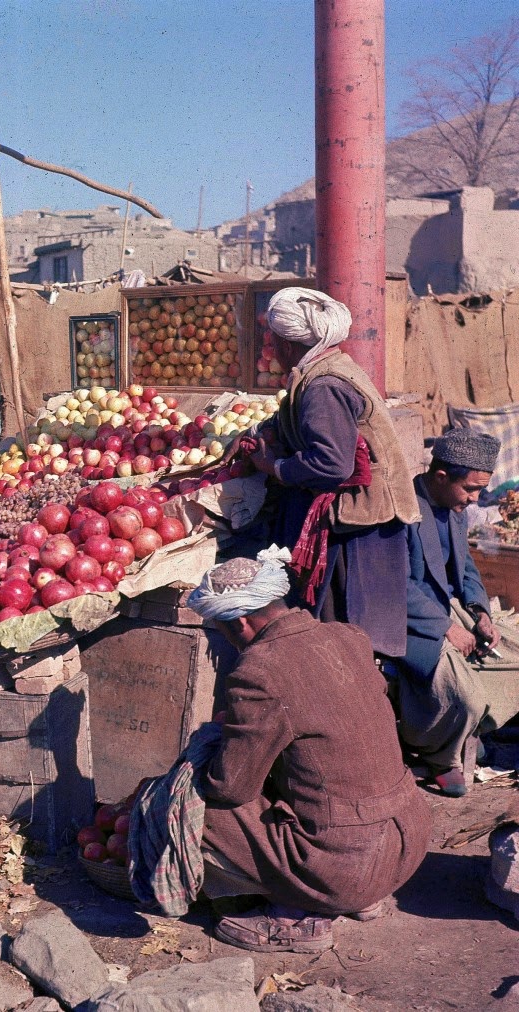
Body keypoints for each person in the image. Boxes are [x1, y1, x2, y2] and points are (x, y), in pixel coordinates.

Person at [187, 550, 431, 954]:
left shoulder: (256, 672)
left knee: (191, 807)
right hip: (407, 842)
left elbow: (231, 789)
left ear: (242, 623)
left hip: (345, 868)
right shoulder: (348, 636)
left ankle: (295, 914)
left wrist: (209, 750)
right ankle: (358, 895)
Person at [242, 287, 421, 660]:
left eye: (272, 339)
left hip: (356, 525)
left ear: (287, 342)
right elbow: (306, 424)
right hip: (357, 515)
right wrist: (268, 430)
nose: (270, 347)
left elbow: (331, 463)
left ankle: (350, 701)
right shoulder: (327, 367)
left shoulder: (324, 385)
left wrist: (273, 467)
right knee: (347, 635)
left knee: (345, 632)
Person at [396, 429, 519, 797]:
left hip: (449, 611)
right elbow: (394, 587)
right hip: (408, 622)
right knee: (462, 693)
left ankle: (472, 730)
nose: (476, 499)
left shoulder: (455, 510)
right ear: (440, 477)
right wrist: (446, 627)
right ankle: (440, 755)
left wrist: (480, 612)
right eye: (470, 489)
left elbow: (466, 571)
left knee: (512, 650)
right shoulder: (400, 512)